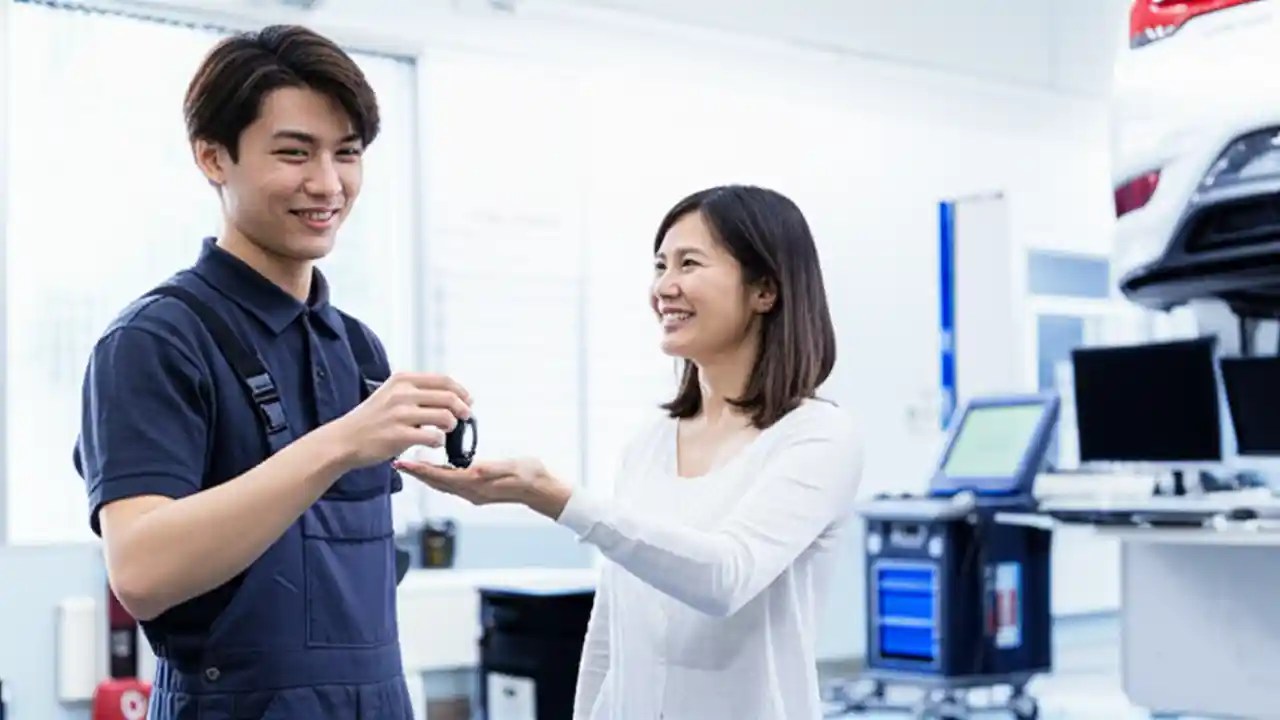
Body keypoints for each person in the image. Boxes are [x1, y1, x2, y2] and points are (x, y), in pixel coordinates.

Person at [72, 25, 471, 719]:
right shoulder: (155, 343)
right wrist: (341, 443)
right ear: (212, 157)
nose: (327, 183)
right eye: (294, 153)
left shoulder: (357, 349)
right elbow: (140, 571)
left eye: (347, 154)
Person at [398, 184, 865, 720]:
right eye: (660, 266)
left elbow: (725, 578)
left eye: (689, 263)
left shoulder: (817, 437)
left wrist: (553, 497)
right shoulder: (651, 440)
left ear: (765, 289)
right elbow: (609, 632)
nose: (665, 287)